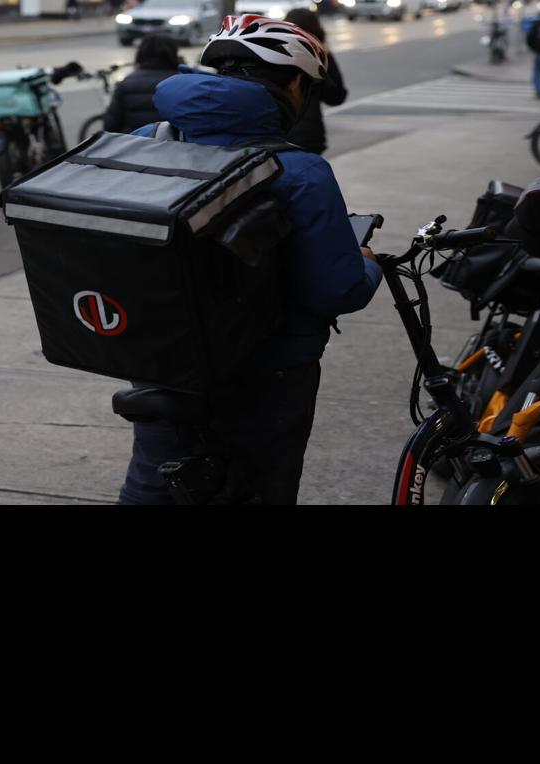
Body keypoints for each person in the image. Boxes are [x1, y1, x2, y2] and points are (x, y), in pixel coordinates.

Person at [117, 15, 383, 505]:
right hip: (269, 372)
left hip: (162, 357)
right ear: (297, 83)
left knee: (155, 479)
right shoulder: (300, 169)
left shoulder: (146, 138)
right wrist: (367, 260)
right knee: (258, 487)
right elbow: (337, 290)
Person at [280, 8, 345, 155]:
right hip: (308, 137)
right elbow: (336, 97)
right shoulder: (321, 57)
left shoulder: (274, 55)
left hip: (278, 135)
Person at [101, 35, 180, 134]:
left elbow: (110, 126)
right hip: (172, 145)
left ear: (140, 54)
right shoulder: (182, 84)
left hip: (133, 144)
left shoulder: (126, 84)